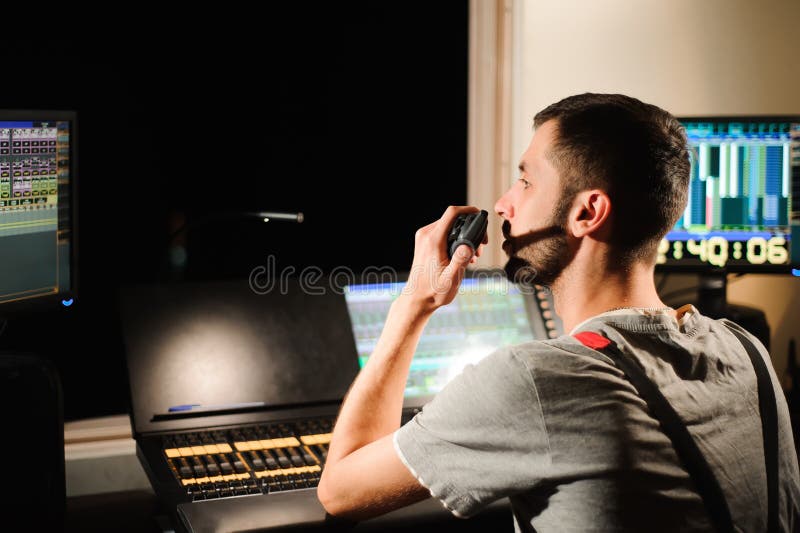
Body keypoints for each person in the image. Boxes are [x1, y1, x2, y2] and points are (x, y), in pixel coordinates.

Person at [316, 93, 800, 531]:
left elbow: (340, 491)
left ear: (588, 212)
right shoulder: (748, 350)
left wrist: (414, 303)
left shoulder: (534, 380)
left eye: (525, 181)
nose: (504, 204)